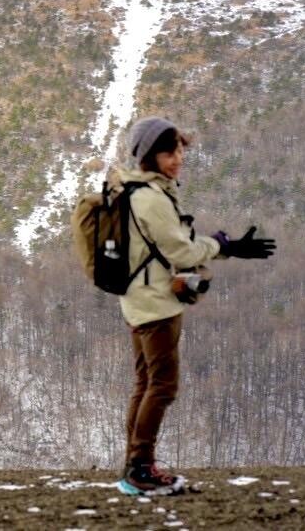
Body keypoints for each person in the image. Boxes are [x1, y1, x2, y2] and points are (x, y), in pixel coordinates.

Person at [114, 116, 275, 496]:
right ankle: (141, 469)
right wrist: (225, 246)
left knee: (145, 384)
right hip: (155, 305)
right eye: (169, 151)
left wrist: (222, 245)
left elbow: (173, 244)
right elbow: (180, 250)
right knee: (163, 386)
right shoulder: (150, 197)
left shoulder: (138, 191)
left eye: (180, 149)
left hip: (139, 299)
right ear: (149, 155)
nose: (178, 158)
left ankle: (134, 467)